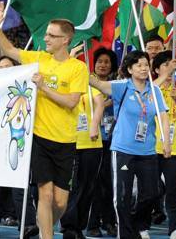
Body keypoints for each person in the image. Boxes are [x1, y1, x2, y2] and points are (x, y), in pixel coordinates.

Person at [0, 2, 88, 239]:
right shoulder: (39, 58)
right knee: (44, 195)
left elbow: (71, 102)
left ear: (65, 40)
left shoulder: (78, 68)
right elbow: (9, 50)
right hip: (39, 138)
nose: (46, 38)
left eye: (52, 36)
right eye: (46, 34)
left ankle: (45, 225)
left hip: (66, 141)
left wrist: (44, 87)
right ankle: (47, 236)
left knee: (60, 202)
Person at [88, 51, 170, 239]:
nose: (143, 68)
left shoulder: (154, 91)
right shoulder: (121, 87)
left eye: (145, 65)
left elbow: (163, 117)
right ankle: (125, 234)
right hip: (123, 149)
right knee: (122, 196)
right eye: (139, 65)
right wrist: (78, 69)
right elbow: (98, 84)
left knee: (152, 193)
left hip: (147, 150)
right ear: (130, 69)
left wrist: (166, 141)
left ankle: (136, 225)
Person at [59, 53, 106, 239]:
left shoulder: (89, 83)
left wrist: (94, 125)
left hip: (92, 143)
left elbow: (100, 104)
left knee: (88, 186)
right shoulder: (64, 85)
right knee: (72, 186)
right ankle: (69, 226)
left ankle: (79, 226)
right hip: (69, 142)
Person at [0, 56, 29, 238]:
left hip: (18, 143)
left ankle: (25, 225)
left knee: (20, 187)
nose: (4, 69)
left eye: (8, 66)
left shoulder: (24, 89)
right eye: (1, 66)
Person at [152, 51, 176, 237]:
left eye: (171, 64)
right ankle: (141, 227)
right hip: (151, 148)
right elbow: (149, 93)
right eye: (165, 64)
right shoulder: (150, 87)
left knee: (174, 192)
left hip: (174, 149)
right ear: (157, 69)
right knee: (149, 192)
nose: (170, 67)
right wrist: (164, 76)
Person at [85, 49, 118, 238]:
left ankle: (110, 222)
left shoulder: (117, 85)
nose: (103, 65)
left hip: (112, 141)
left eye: (106, 62)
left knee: (110, 184)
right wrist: (105, 103)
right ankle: (92, 223)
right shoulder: (86, 83)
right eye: (99, 61)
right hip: (92, 140)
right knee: (94, 184)